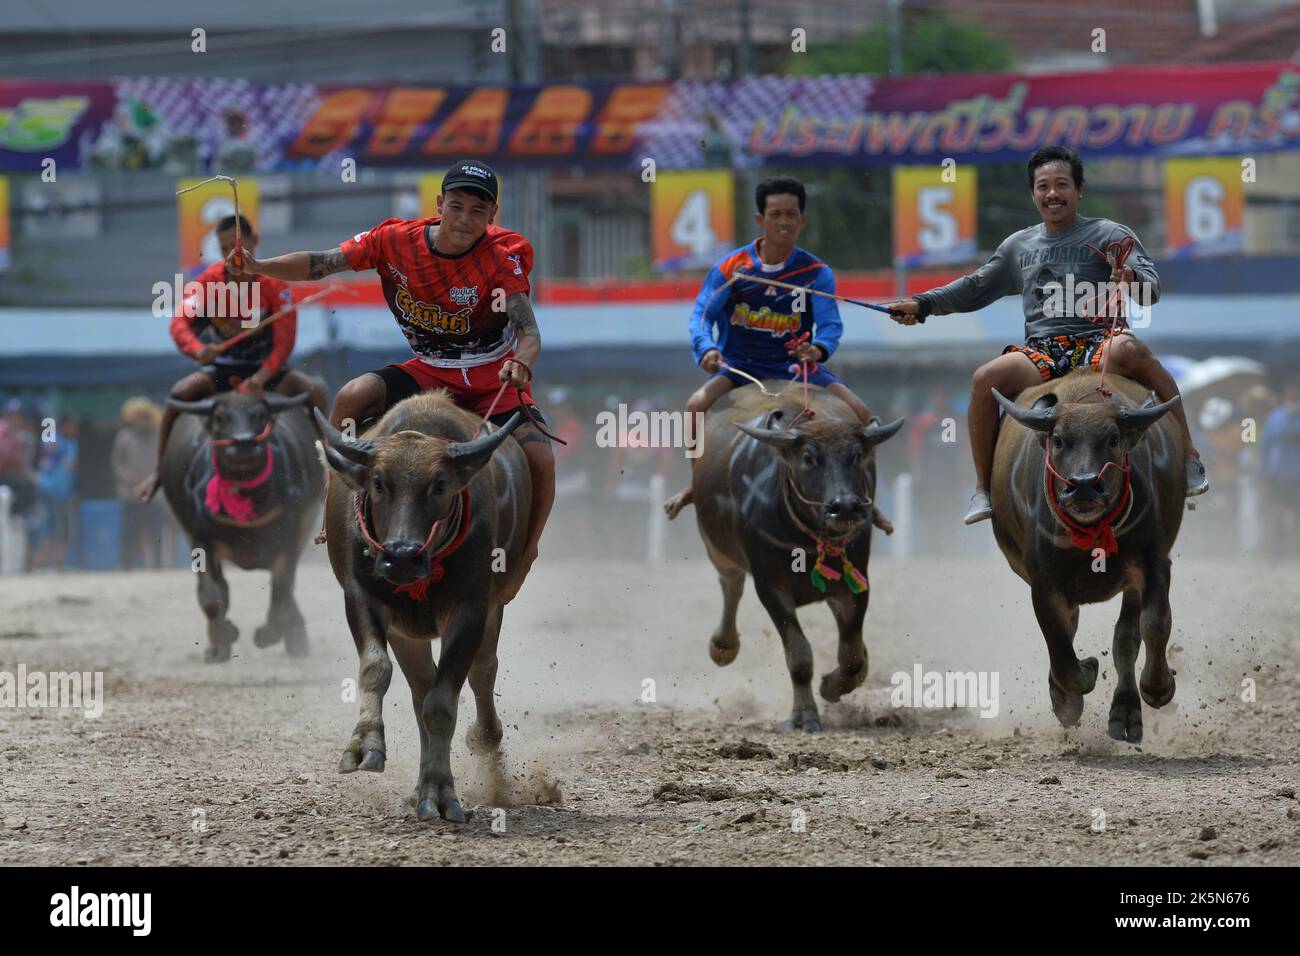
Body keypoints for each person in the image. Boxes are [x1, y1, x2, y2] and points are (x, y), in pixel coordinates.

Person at [224, 159, 555, 605]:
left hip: (490, 374)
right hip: (428, 366)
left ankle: (527, 551)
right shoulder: (394, 240)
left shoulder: (503, 259)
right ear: (439, 204)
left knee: (540, 459)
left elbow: (529, 332)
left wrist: (523, 364)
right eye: (456, 206)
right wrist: (259, 266)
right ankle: (334, 504)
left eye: (478, 211)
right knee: (351, 395)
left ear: (491, 216)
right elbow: (322, 263)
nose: (464, 219)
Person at [885, 145, 1208, 524]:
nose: (1052, 193)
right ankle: (983, 489)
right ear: (1033, 193)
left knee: (1134, 351)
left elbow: (1150, 291)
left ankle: (1189, 456)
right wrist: (922, 306)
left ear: (1079, 190)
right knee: (984, 378)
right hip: (1044, 351)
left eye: (1061, 185)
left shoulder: (1110, 234)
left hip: (1100, 342)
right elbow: (974, 288)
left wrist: (1131, 279)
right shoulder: (1018, 246)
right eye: (1043, 186)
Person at [663, 175, 891, 532]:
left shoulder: (816, 273)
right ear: (760, 219)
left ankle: (864, 500)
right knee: (694, 406)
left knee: (861, 413)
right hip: (739, 365)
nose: (784, 222)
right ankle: (697, 481)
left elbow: (830, 325)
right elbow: (702, 316)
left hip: (797, 367)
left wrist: (817, 348)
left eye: (791, 215)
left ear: (802, 220)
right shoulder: (730, 269)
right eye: (775, 215)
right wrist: (706, 349)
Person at [136, 214, 327, 501]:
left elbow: (284, 343)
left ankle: (329, 468)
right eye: (225, 248)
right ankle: (160, 471)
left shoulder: (277, 284)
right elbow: (179, 324)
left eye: (237, 246)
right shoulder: (208, 281)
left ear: (254, 242)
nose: (232, 254)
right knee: (179, 394)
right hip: (222, 370)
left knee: (316, 390)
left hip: (268, 372)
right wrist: (199, 350)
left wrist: (261, 377)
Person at [113, 398, 165, 569]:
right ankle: (127, 564)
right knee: (130, 531)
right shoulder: (124, 437)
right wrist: (127, 476)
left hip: (153, 493)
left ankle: (157, 565)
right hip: (130, 493)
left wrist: (154, 478)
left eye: (142, 416)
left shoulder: (160, 436)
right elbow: (117, 464)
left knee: (155, 530)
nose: (139, 420)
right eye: (136, 417)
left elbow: (165, 461)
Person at [32, 415, 79, 572]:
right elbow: (47, 452)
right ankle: (42, 562)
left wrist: (72, 493)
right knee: (51, 526)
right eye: (71, 426)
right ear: (64, 426)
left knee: (62, 528)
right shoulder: (53, 437)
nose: (74, 429)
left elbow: (70, 471)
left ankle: (56, 563)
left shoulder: (72, 444)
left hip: (63, 492)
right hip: (50, 489)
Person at [1261, 379, 1300, 561]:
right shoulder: (1275, 416)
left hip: (1296, 473)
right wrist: (1262, 471)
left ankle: (1294, 555)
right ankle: (1269, 555)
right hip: (1276, 472)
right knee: (1273, 514)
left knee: (1296, 516)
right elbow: (1265, 444)